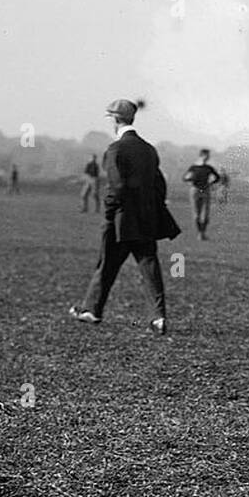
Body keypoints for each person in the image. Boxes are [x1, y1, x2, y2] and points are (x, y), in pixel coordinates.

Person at [69, 99, 180, 336]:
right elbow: (159, 185)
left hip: (121, 220)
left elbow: (116, 188)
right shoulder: (149, 149)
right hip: (146, 219)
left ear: (115, 120)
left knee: (107, 264)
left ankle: (91, 310)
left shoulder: (115, 149)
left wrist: (109, 214)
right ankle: (158, 317)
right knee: (150, 266)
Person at [182, 149, 222, 239]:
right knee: (196, 214)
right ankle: (200, 232)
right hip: (195, 190)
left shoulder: (208, 168)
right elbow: (185, 177)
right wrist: (190, 180)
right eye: (206, 155)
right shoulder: (193, 167)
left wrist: (210, 183)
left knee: (205, 214)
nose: (208, 157)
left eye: (208, 155)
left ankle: (202, 233)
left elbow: (218, 177)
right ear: (201, 155)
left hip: (205, 190)